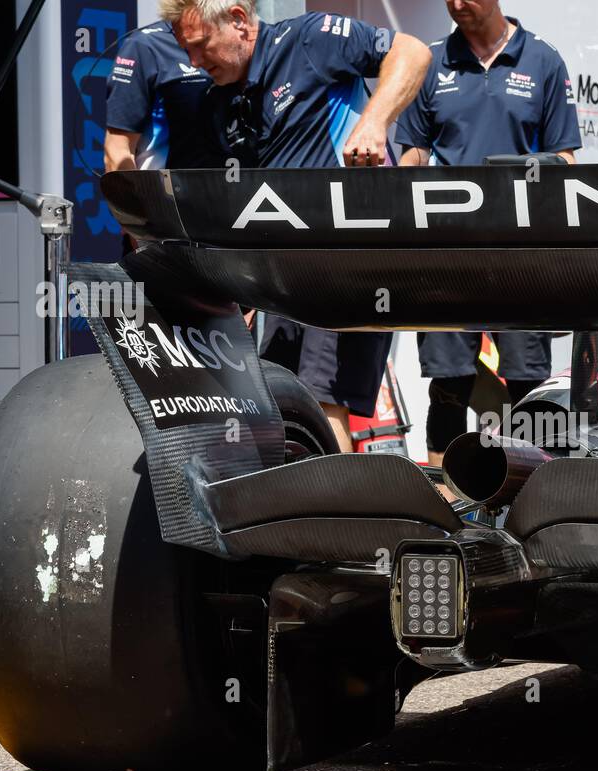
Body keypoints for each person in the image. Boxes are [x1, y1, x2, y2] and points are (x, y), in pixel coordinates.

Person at [159, 0, 431, 451]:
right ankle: (293, 514)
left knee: (319, 400)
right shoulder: (216, 103)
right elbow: (232, 208)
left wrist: (374, 122)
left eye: (201, 45)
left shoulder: (310, 38)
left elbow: (413, 52)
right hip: (279, 279)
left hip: (345, 257)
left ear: (239, 22)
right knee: (276, 399)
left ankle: (339, 517)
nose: (194, 62)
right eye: (185, 51)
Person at [397, 0, 581, 473]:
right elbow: (413, 153)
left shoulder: (542, 59)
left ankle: (528, 496)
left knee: (527, 385)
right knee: (448, 383)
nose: (458, 4)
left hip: (521, 253)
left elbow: (566, 159)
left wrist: (520, 174)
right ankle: (445, 504)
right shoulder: (431, 60)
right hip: (446, 253)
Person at [104, 20, 224, 173]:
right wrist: (137, 196)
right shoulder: (145, 45)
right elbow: (117, 150)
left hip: (231, 191)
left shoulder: (238, 39)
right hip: (163, 193)